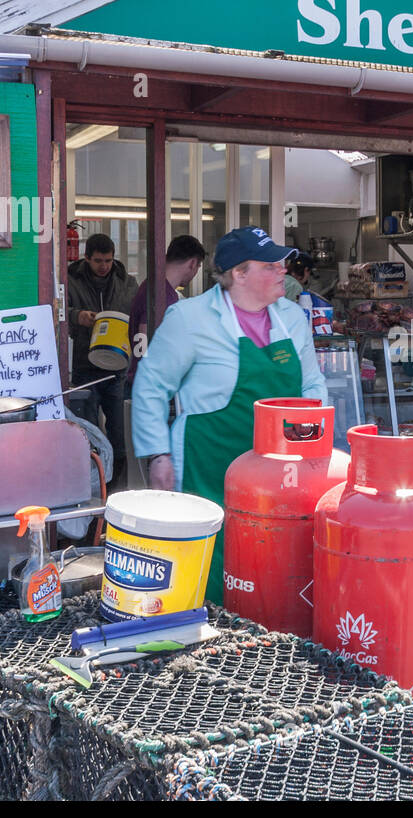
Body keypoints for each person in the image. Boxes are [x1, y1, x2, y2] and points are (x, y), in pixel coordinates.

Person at [131, 226, 328, 605]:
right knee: (214, 558)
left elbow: (312, 387)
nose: (283, 270)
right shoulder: (190, 318)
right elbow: (151, 387)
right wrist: (158, 454)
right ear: (239, 273)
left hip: (281, 470)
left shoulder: (291, 317)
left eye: (281, 264)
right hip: (210, 464)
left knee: (275, 557)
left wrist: (314, 445)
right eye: (270, 266)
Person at [67, 233, 139, 484]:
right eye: (98, 261)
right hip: (84, 366)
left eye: (108, 261)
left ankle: (115, 488)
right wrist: (77, 316)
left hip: (116, 367)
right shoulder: (70, 280)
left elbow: (139, 315)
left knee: (118, 435)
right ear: (87, 258)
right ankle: (90, 486)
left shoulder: (127, 282)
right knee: (87, 434)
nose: (104, 266)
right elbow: (56, 310)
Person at [128, 235, 205, 383]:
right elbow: (145, 337)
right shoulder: (161, 294)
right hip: (151, 384)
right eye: (198, 268)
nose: (195, 274)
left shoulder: (155, 287)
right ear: (193, 263)